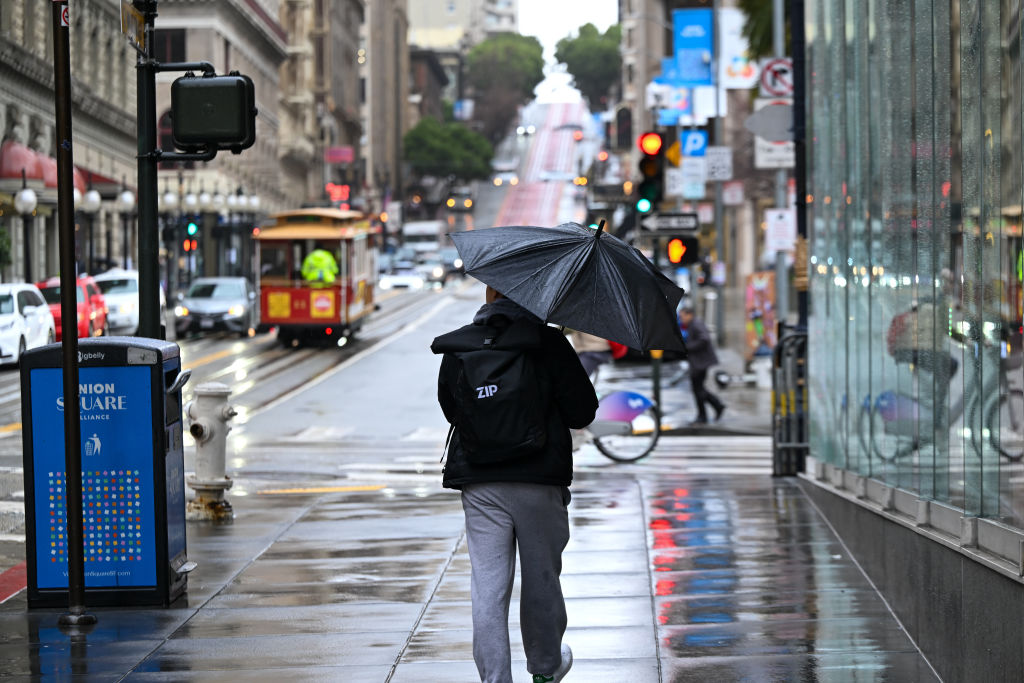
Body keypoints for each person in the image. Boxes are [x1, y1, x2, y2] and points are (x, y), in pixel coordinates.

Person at [433, 285, 598, 683]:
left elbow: (451, 409)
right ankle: (545, 668)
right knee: (541, 578)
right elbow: (582, 412)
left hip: (480, 481)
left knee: (488, 586)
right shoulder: (548, 342)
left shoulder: (460, 345)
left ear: (489, 299)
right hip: (539, 480)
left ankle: (494, 678)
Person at [678, 305, 726, 424]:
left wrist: (688, 347)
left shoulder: (696, 323)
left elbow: (704, 339)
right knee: (698, 389)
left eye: (682, 316)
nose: (681, 319)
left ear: (689, 314)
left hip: (701, 363)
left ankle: (705, 414)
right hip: (698, 362)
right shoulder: (692, 324)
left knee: (698, 389)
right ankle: (715, 407)